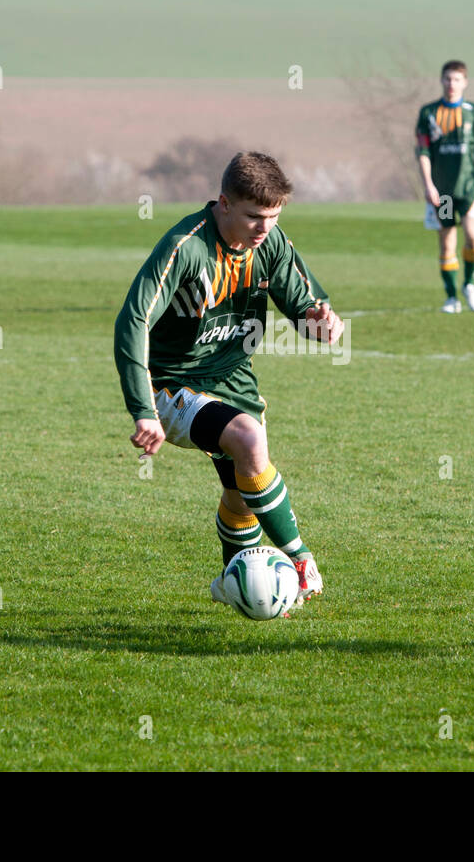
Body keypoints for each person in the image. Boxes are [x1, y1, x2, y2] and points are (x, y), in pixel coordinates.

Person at [114, 151, 343, 609]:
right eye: (255, 217)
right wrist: (144, 409)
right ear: (223, 203)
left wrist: (324, 325)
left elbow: (306, 310)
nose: (265, 228)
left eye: (274, 217)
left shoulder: (271, 244)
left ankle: (232, 584)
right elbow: (133, 320)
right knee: (248, 440)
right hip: (171, 384)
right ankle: (300, 559)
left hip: (234, 380)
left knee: (242, 494)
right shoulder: (186, 246)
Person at [414, 60, 474, 313]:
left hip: (469, 189)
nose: (451, 84)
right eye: (447, 79)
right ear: (441, 80)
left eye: (457, 79)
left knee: (473, 237)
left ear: (465, 82)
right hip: (443, 193)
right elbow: (423, 151)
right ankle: (451, 298)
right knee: (447, 244)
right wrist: (428, 185)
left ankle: (469, 284)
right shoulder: (428, 113)